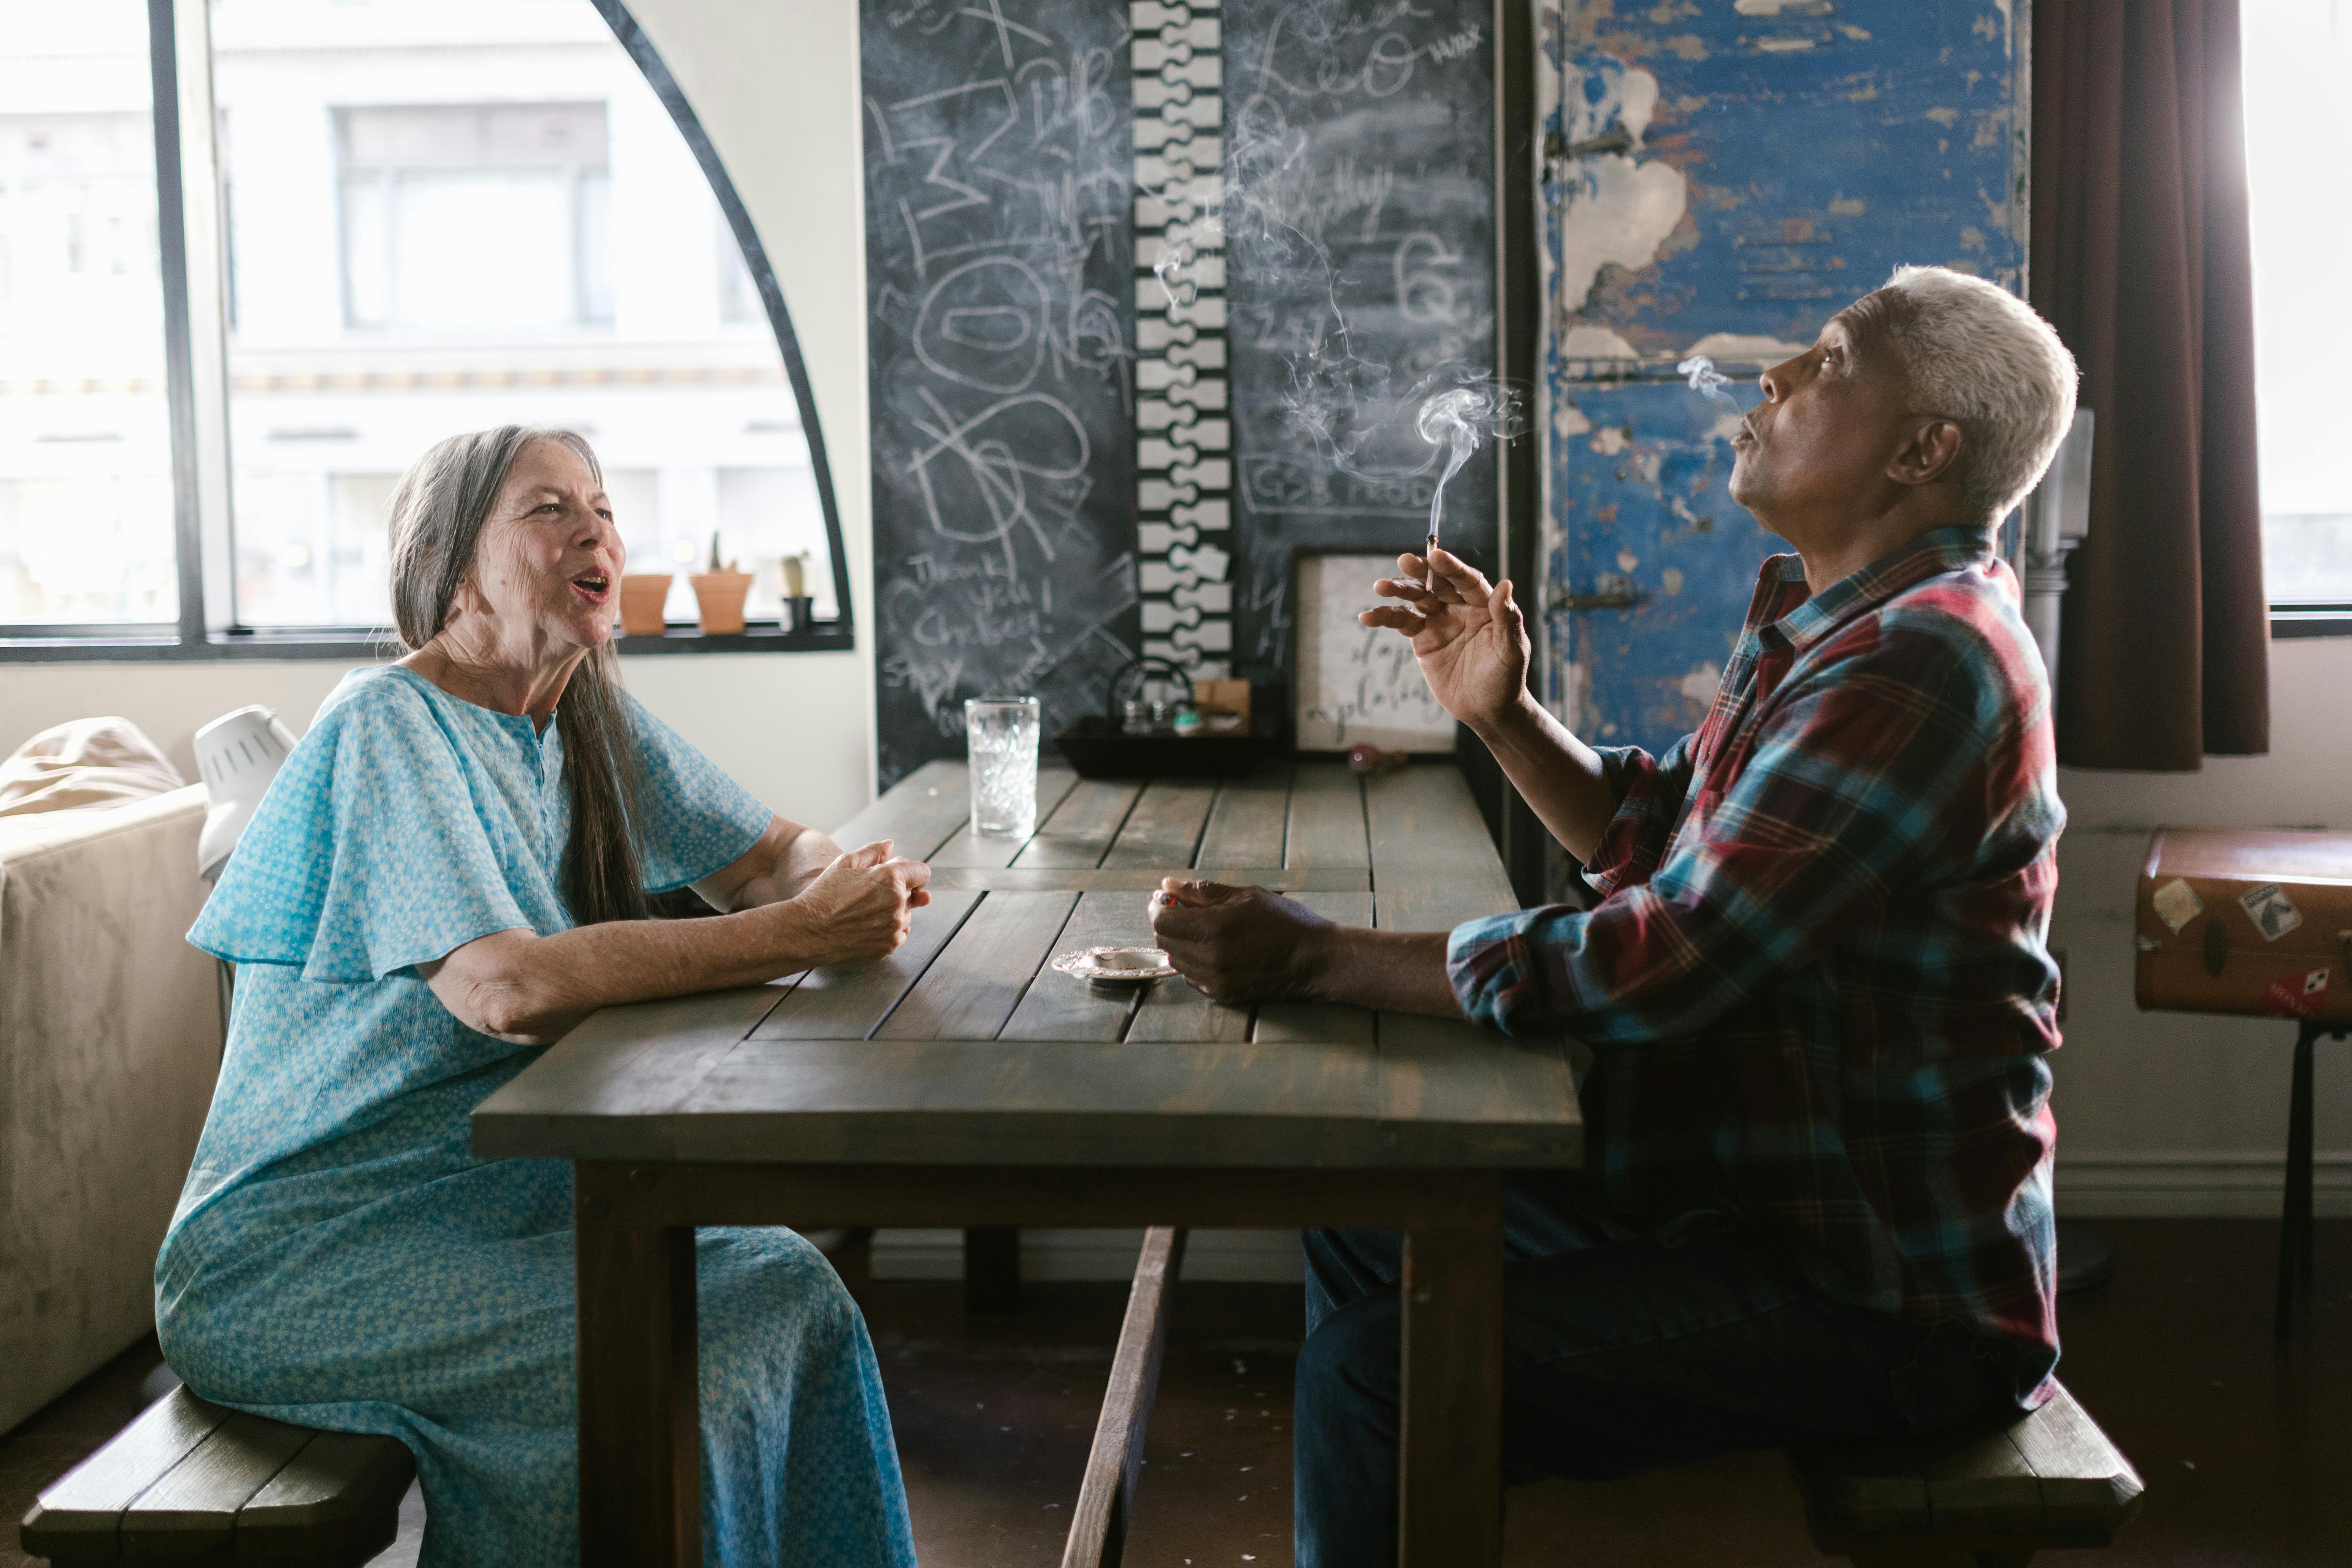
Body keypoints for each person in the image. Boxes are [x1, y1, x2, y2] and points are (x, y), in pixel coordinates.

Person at [1150, 266, 2078, 1566]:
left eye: (1826, 360)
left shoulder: (1925, 655)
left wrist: (1315, 954)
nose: (1774, 376)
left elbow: (1667, 957)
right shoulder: (1838, 632)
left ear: (1925, 450)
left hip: (1878, 1296)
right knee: (1372, 1201)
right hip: (1742, 1202)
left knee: (1374, 1373)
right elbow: (1664, 836)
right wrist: (1500, 712)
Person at [157, 426, 932, 1568]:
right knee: (648, 1352)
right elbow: (504, 987)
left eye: (605, 507)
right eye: (547, 508)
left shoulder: (581, 714)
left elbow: (767, 857)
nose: (596, 530)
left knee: (790, 1288)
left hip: (498, 1207)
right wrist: (797, 934)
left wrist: (846, 878)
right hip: (299, 1255)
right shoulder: (386, 722)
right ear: (448, 566)